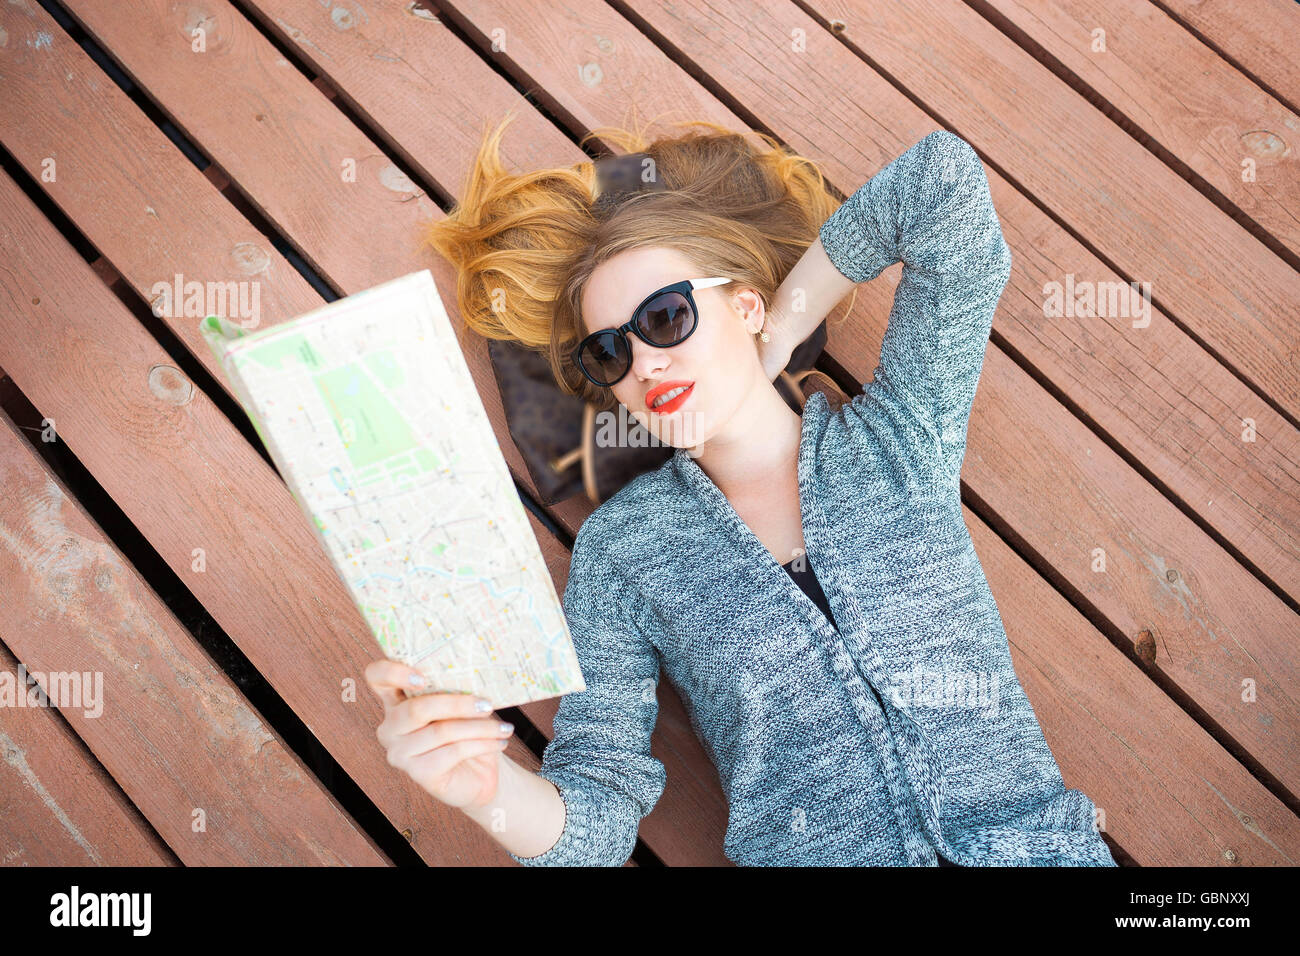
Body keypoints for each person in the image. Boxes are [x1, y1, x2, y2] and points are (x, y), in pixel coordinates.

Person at [365, 114, 1117, 867]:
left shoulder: (900, 435)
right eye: (610, 351)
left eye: (665, 317)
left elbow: (944, 183)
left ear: (745, 305)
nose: (645, 365)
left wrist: (789, 322)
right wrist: (485, 787)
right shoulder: (624, 551)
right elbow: (597, 811)